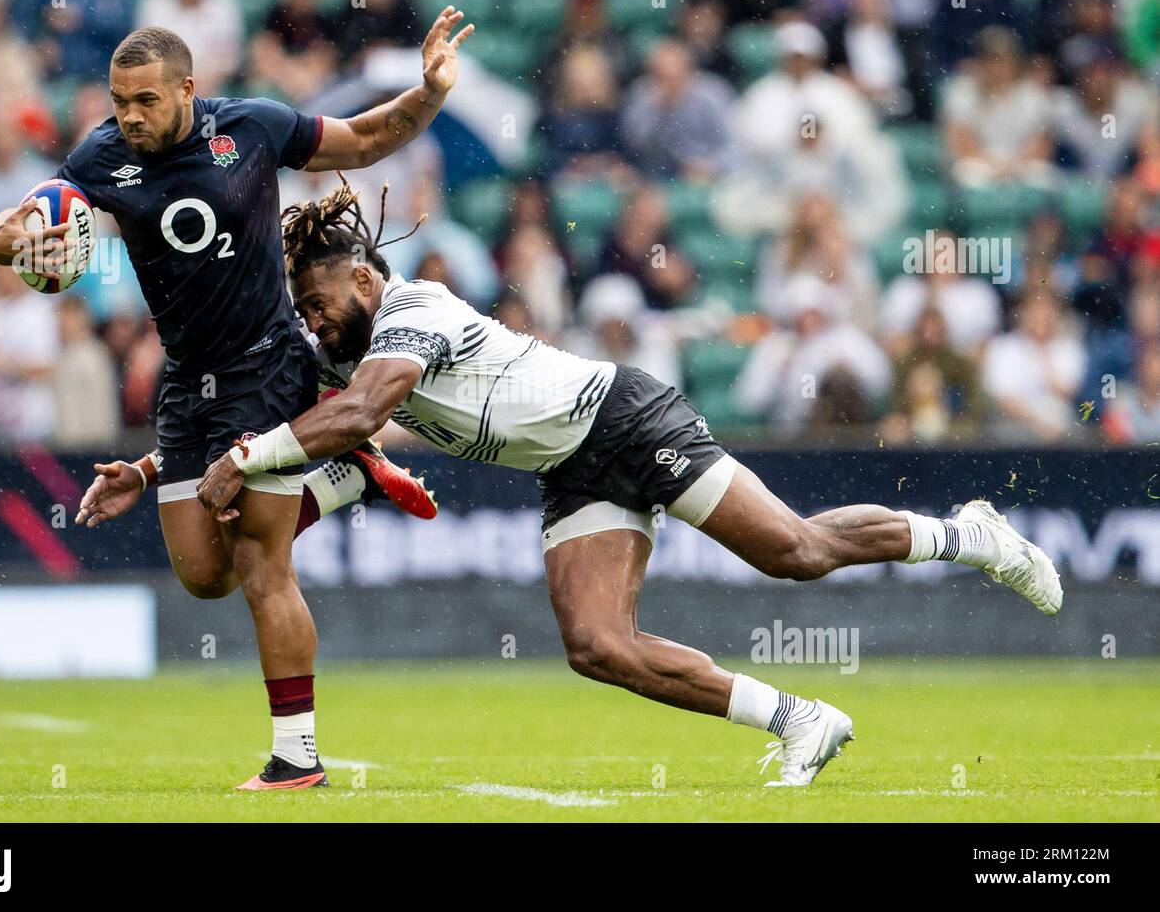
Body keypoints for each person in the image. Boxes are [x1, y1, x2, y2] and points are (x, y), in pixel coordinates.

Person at [192, 181, 1065, 788]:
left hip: (626, 421)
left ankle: (968, 534)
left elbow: (356, 418)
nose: (311, 321)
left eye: (317, 302)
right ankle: (800, 717)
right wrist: (169, 468)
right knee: (597, 646)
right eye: (301, 309)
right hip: (571, 468)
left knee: (795, 552)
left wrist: (246, 460)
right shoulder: (347, 349)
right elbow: (356, 441)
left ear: (365, 277)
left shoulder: (415, 309)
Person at [0, 14, 473, 790]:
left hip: (268, 365)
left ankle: (297, 760)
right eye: (118, 102)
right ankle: (345, 470)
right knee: (203, 573)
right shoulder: (99, 154)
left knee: (260, 565)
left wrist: (431, 91)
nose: (130, 117)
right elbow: (11, 231)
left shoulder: (249, 127)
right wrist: (14, 243)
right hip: (186, 381)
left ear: (187, 88)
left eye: (145, 100)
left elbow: (365, 140)